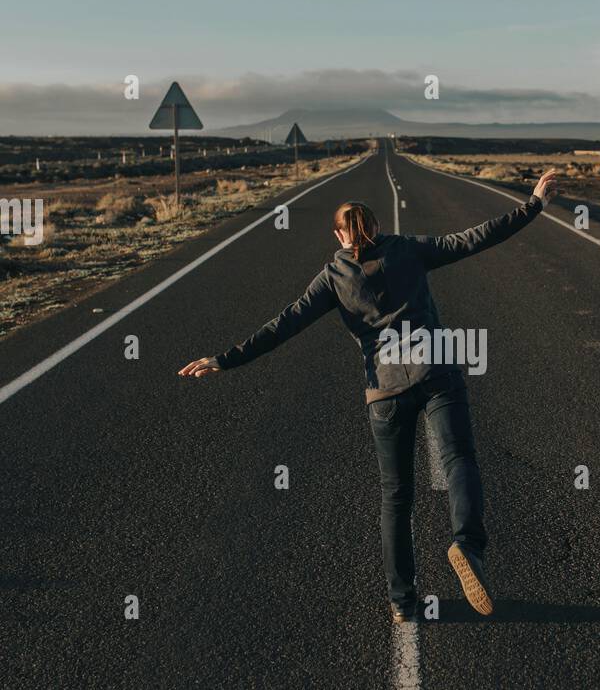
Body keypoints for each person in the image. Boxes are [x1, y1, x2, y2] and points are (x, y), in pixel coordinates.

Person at [179, 166, 557, 625]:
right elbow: (475, 237)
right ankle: (467, 546)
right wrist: (533, 204)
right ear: (376, 227)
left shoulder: (333, 277)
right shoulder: (409, 250)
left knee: (396, 496)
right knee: (459, 460)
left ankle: (402, 601)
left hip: (384, 390)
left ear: (339, 234)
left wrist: (225, 358)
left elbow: (283, 325)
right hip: (436, 368)